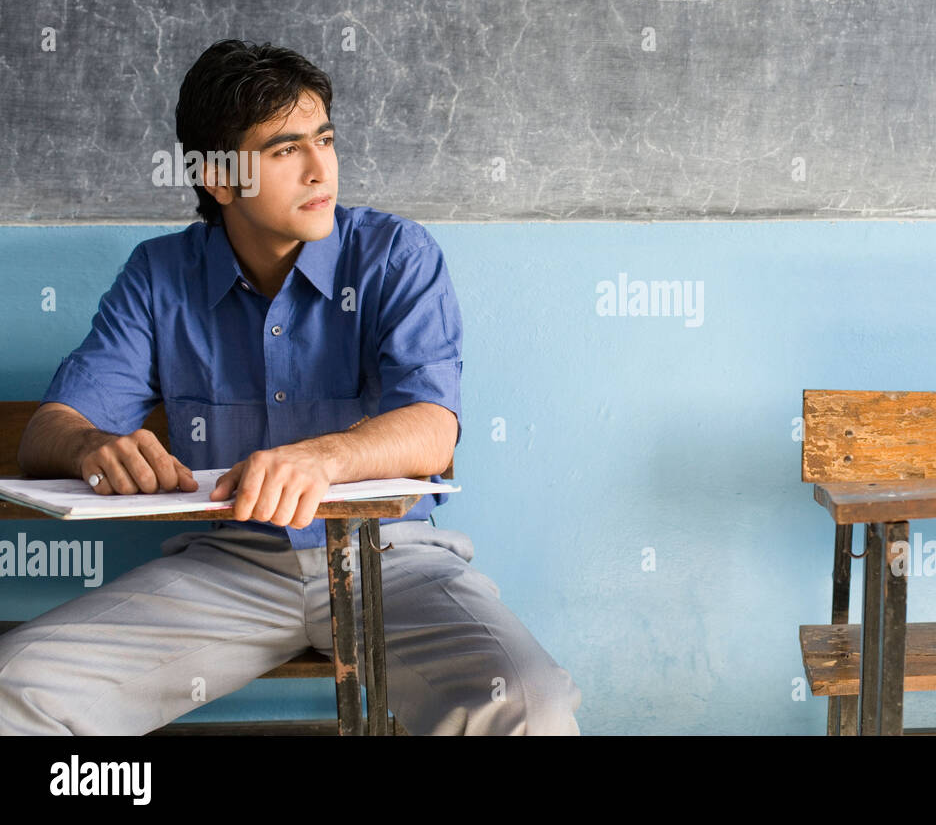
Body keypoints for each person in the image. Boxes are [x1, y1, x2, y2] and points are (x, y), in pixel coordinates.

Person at [0, 39, 581, 735]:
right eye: (284, 150)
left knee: (529, 702)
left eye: (324, 140)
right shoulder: (160, 276)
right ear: (219, 179)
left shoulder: (395, 255)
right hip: (233, 568)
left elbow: (432, 426)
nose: (319, 168)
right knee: (15, 685)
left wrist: (322, 458)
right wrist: (91, 445)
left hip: (390, 560)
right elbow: (49, 431)